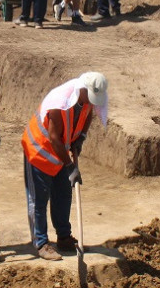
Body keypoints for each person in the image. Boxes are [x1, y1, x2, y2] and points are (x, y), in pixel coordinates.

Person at [21, 72, 108, 260]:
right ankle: (41, 243)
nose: (92, 102)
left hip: (60, 152)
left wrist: (81, 137)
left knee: (63, 194)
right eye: (90, 98)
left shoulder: (86, 101)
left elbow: (88, 114)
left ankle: (63, 237)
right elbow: (54, 138)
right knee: (39, 200)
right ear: (82, 89)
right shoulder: (60, 101)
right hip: (39, 151)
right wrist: (71, 167)